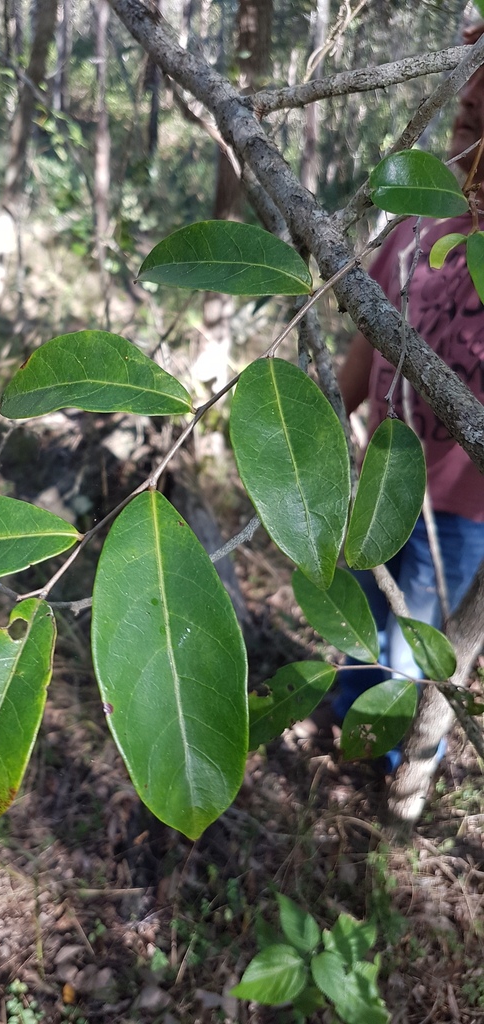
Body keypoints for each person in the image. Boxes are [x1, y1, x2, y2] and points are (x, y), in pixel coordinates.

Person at [332, 24, 484, 767]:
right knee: (357, 626)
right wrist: (324, 430)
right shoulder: (417, 219)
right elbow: (368, 345)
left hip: (458, 517)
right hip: (377, 481)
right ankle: (346, 734)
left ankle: (396, 770)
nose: (469, 118)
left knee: (409, 655)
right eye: (467, 109)